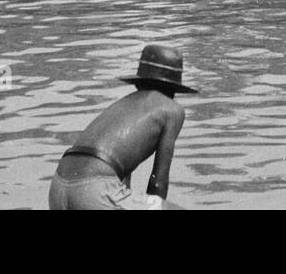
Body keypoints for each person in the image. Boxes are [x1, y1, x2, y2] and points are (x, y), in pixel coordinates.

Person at [49, 44, 196, 211]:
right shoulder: (172, 109)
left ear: (138, 84)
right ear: (175, 88)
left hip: (58, 187)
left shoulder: (123, 106)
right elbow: (158, 183)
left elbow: (122, 178)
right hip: (94, 192)